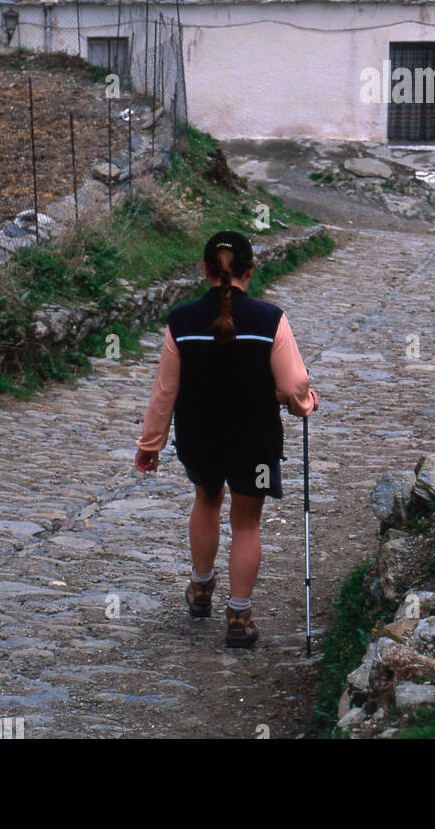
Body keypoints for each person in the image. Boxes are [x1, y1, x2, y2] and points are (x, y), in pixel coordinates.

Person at [134, 230, 318, 648]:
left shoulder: (181, 321)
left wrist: (150, 445)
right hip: (254, 441)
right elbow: (293, 386)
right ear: (250, 271)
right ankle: (239, 616)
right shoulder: (270, 319)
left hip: (199, 437)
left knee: (206, 499)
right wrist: (305, 404)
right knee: (247, 523)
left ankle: (200, 589)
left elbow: (165, 390)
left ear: (204, 270)